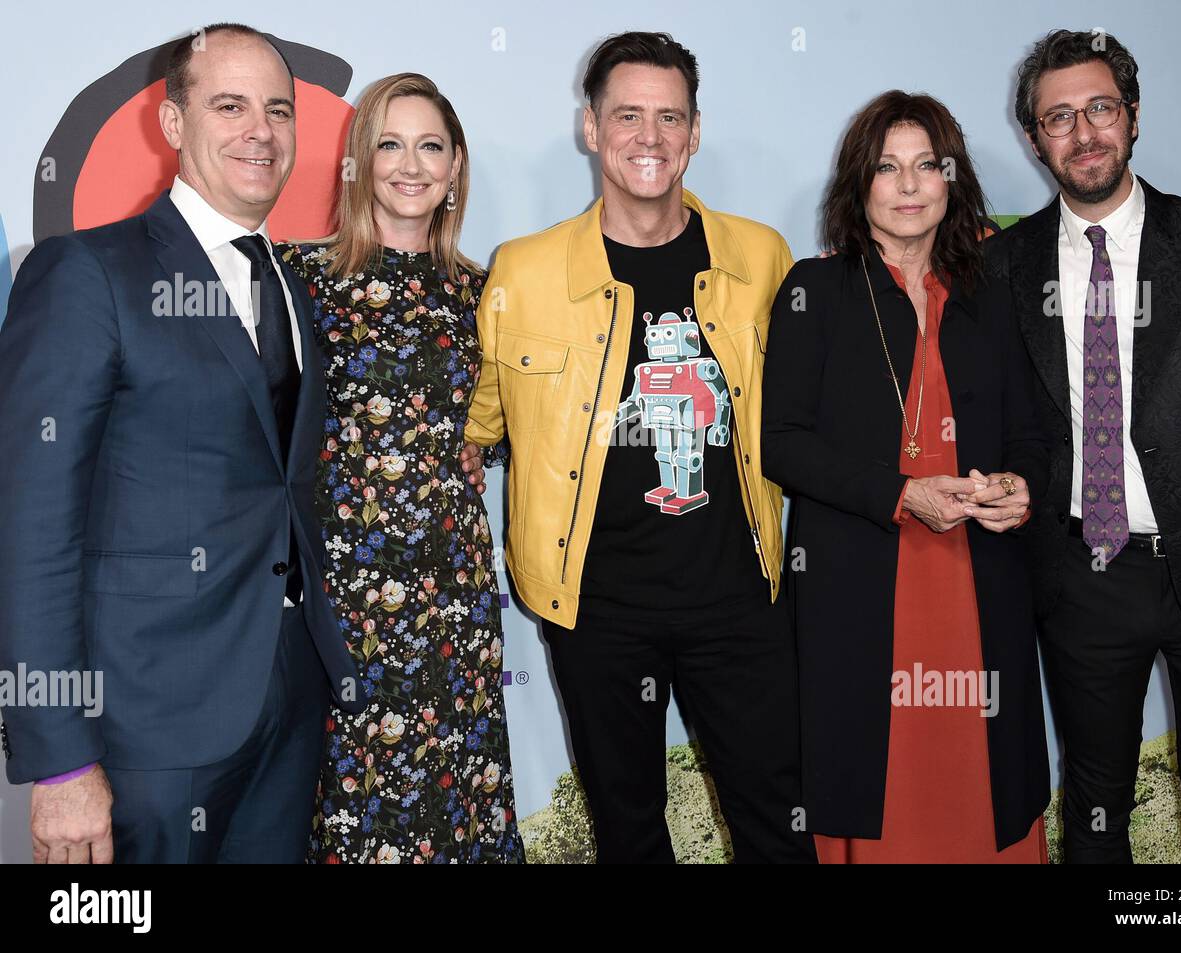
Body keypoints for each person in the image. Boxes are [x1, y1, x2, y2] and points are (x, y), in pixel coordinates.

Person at [0, 23, 367, 863]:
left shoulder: (289, 284)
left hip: (289, 696)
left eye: (278, 109)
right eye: (229, 104)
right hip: (145, 726)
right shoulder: (87, 273)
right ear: (172, 124)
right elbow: (30, 527)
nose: (260, 131)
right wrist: (59, 759)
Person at [463, 32, 814, 863]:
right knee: (629, 832)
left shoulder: (761, 257)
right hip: (595, 608)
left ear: (695, 132)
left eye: (669, 117)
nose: (648, 137)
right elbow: (477, 426)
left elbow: (810, 415)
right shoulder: (524, 270)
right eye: (627, 115)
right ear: (591, 127)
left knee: (776, 818)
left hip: (740, 599)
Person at [984, 29, 1181, 863]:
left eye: (1100, 108)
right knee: (1094, 807)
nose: (1084, 132)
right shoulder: (1000, 265)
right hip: (1083, 574)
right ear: (1033, 138)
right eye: (1059, 117)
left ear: (1132, 117)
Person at [763, 91, 1051, 862]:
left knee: (984, 771)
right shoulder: (813, 291)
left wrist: (1023, 488)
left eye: (928, 164)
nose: (910, 183)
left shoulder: (994, 294)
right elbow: (780, 443)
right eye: (888, 167)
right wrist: (900, 495)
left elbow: (1030, 430)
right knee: (873, 778)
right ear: (860, 185)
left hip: (980, 572)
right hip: (861, 577)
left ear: (952, 179)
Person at [279, 73, 523, 864]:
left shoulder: (489, 297)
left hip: (455, 598)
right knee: (350, 812)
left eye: (430, 146)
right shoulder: (302, 281)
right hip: (343, 605)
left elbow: (532, 433)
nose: (409, 164)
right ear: (359, 161)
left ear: (455, 167)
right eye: (390, 142)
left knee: (460, 801)